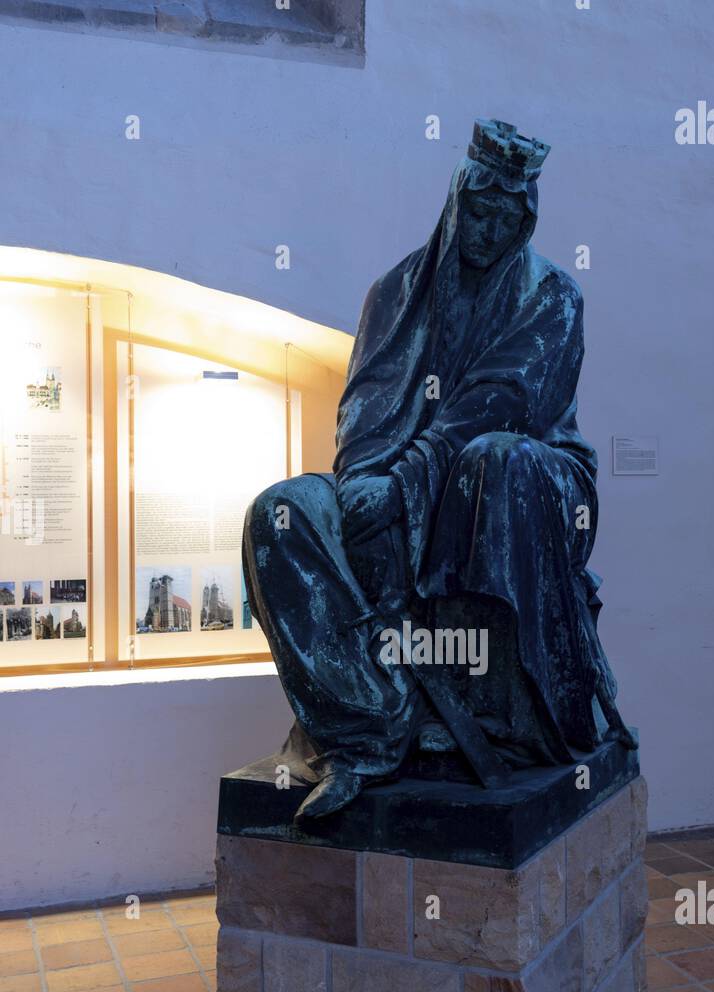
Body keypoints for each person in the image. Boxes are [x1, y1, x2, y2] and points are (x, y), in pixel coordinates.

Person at [243, 119, 632, 822]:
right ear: (454, 203)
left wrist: (401, 486)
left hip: (529, 479)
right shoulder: (392, 291)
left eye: (504, 217)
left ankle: (505, 718)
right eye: (477, 211)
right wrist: (363, 478)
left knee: (493, 462)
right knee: (285, 510)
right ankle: (365, 726)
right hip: (393, 470)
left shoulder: (552, 297)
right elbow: (362, 405)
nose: (485, 230)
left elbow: (501, 402)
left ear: (526, 220)